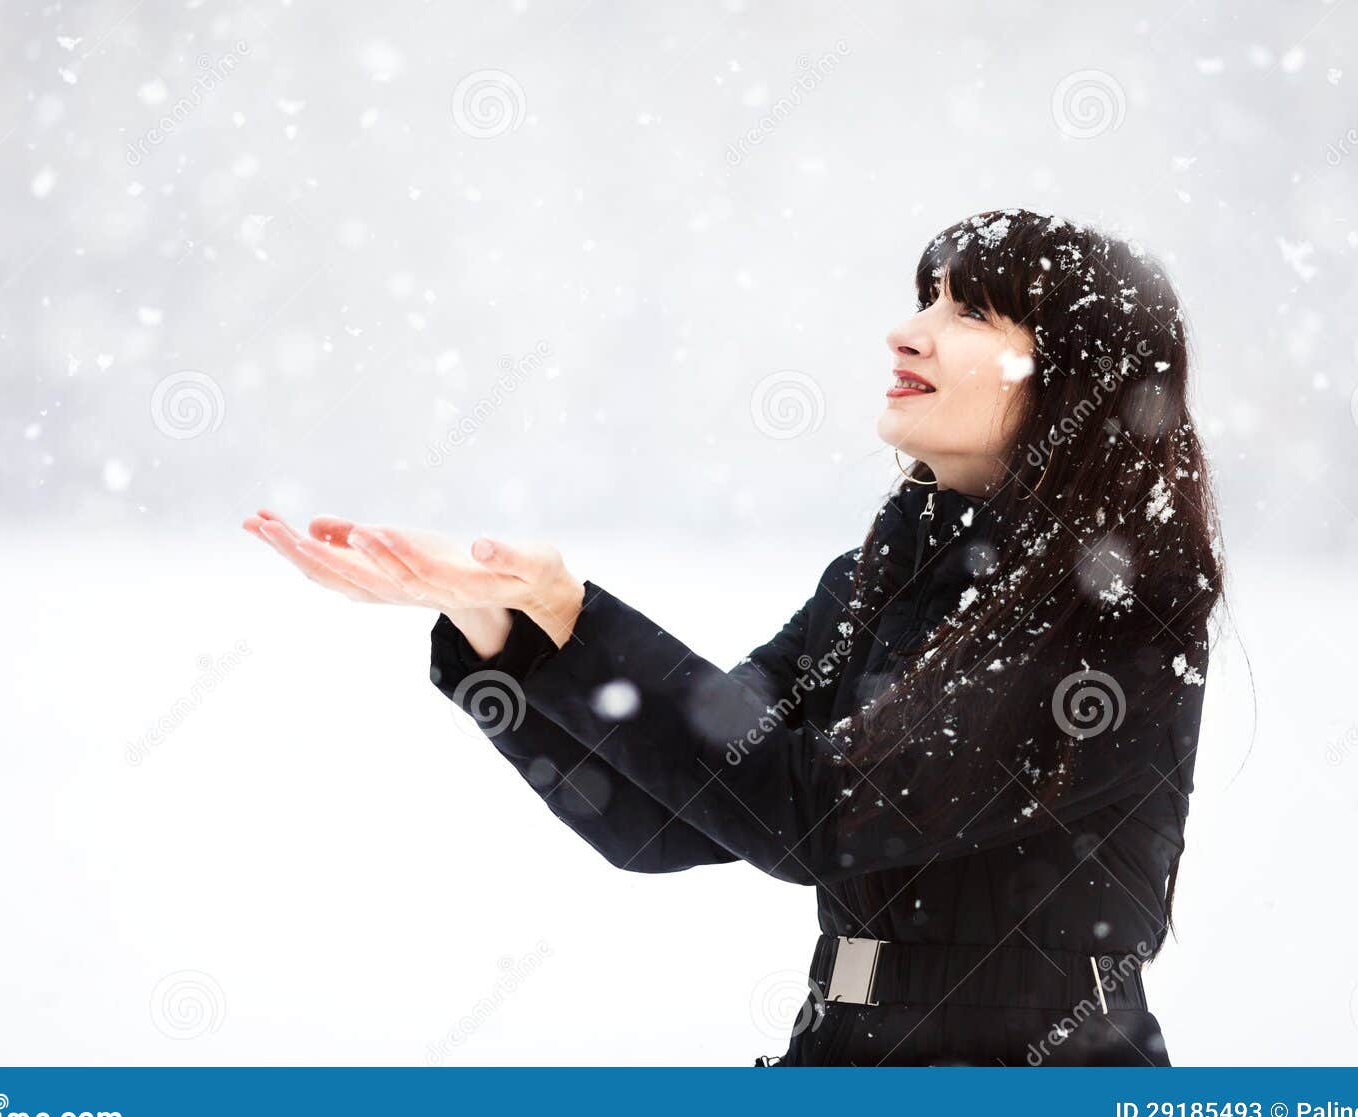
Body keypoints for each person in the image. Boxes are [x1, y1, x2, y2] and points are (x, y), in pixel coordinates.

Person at [243, 208, 1224, 1066]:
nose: (906, 332)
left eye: (966, 311)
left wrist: (575, 610)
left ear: (1073, 382)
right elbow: (666, 816)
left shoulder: (1111, 615)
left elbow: (815, 813)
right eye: (924, 298)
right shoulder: (874, 582)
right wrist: (504, 626)